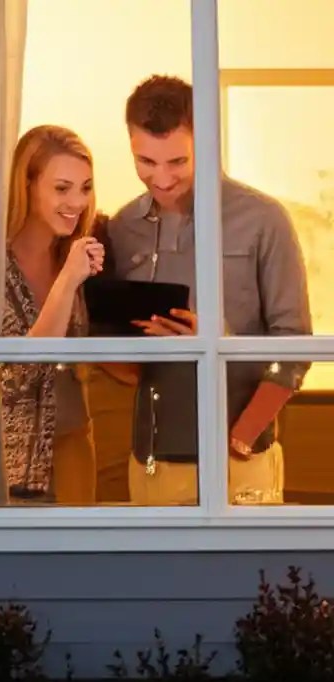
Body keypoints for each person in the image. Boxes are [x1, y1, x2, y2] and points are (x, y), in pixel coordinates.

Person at [104, 74, 312, 505]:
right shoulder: (121, 229)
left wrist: (240, 438)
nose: (160, 178)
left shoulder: (264, 220)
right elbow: (120, 355)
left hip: (242, 462)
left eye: (177, 162)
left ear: (207, 141)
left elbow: (293, 345)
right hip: (152, 464)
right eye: (145, 161)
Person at [0, 125, 106, 504]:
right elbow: (20, 370)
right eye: (62, 188)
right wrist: (69, 279)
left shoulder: (78, 252)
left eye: (85, 187)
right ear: (26, 185)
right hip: (14, 463)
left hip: (76, 444)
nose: (76, 202)